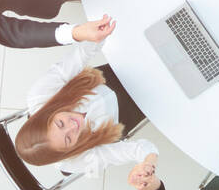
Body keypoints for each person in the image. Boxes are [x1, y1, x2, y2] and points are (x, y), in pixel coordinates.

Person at [15, 41, 157, 175]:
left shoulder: (39, 95)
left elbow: (82, 53)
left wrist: (98, 34)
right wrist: (148, 163)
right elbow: (135, 150)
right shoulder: (77, 160)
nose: (73, 126)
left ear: (47, 114)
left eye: (60, 123)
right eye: (69, 139)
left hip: (116, 73)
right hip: (137, 107)